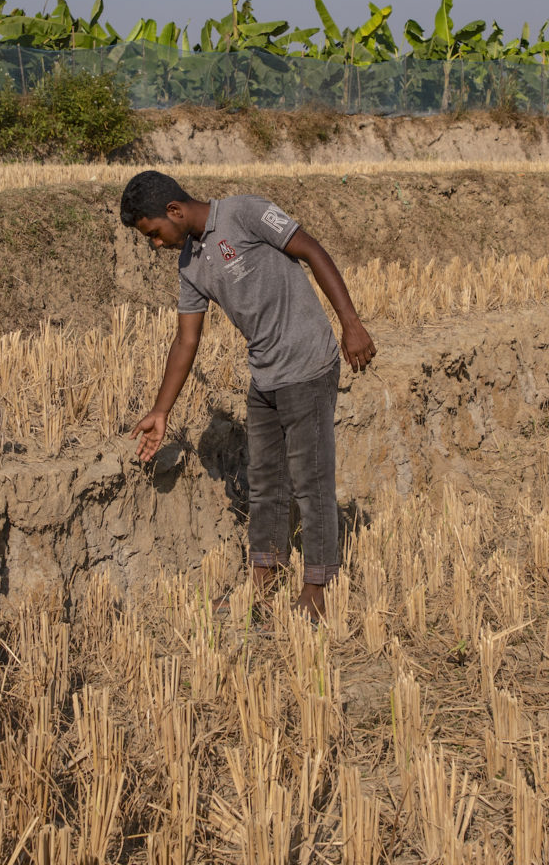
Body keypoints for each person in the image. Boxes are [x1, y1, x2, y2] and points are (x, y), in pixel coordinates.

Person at [119, 170, 375, 622]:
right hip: (266, 374)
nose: (156, 245)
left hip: (308, 362)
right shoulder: (191, 265)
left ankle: (318, 588)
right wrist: (161, 410)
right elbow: (186, 341)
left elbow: (312, 251)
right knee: (264, 480)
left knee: (311, 481)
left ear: (174, 211)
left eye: (155, 233)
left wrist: (350, 323)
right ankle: (265, 580)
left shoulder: (245, 213)